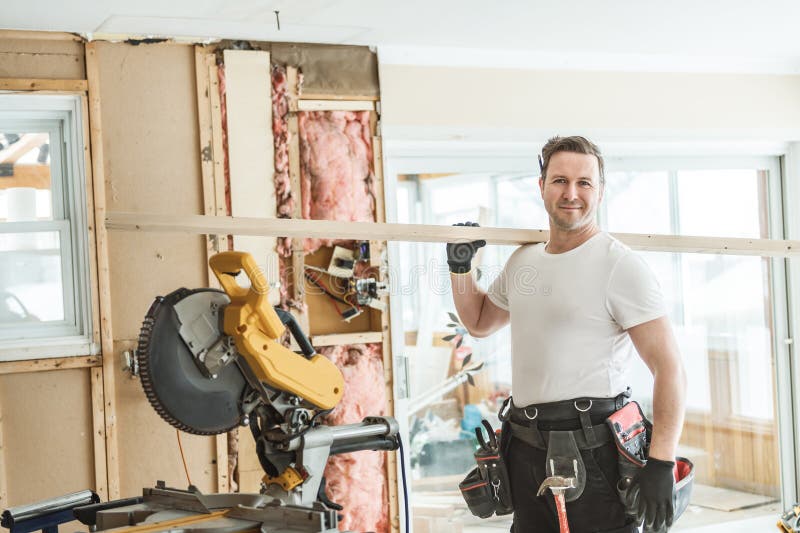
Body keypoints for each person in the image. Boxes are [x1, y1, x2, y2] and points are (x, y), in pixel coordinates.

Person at [447, 136, 687, 532]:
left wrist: (661, 461)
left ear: (600, 191)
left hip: (595, 450)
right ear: (540, 186)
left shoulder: (620, 266)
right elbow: (480, 321)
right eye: (559, 180)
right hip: (524, 446)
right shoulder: (525, 259)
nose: (571, 193)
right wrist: (461, 269)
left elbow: (670, 368)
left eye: (584, 183)